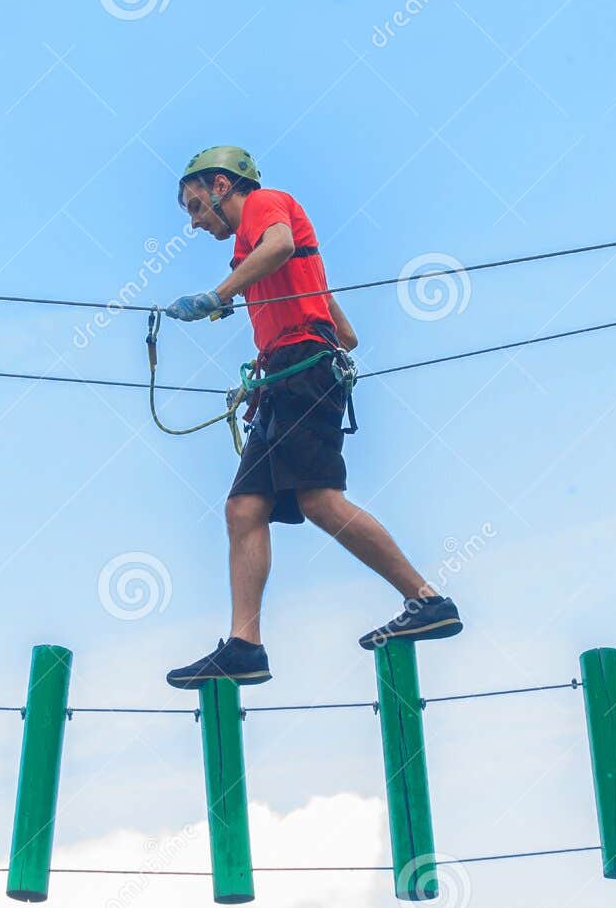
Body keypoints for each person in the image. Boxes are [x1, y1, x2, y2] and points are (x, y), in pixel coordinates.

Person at [160, 145, 462, 689]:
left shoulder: (265, 207)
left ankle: (427, 601)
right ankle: (245, 646)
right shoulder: (248, 252)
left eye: (195, 204)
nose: (195, 220)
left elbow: (281, 244)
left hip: (302, 369)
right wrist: (268, 355)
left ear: (222, 185)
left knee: (319, 500)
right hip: (288, 372)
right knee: (243, 509)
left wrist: (219, 296)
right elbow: (345, 334)